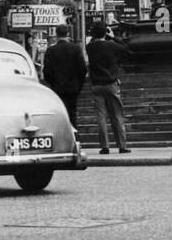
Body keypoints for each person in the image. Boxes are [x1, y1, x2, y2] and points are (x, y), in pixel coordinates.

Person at [85, 22, 131, 154]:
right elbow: (126, 49)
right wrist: (113, 37)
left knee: (101, 116)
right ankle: (122, 145)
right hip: (111, 83)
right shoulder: (111, 45)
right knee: (117, 115)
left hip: (96, 85)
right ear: (105, 32)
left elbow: (94, 41)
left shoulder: (90, 47)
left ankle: (105, 146)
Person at [42, 24, 86, 129]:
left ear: (56, 35)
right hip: (73, 87)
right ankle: (74, 135)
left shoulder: (51, 51)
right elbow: (82, 69)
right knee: (72, 113)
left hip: (57, 87)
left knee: (60, 113)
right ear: (68, 34)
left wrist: (52, 82)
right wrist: (79, 84)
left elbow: (47, 71)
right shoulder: (75, 49)